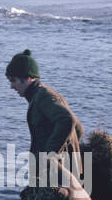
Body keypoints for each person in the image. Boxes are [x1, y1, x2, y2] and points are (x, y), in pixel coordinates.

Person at [5, 48, 85, 185]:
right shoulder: (39, 95)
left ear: (28, 78)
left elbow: (68, 120)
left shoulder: (44, 97)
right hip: (61, 171)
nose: (11, 86)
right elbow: (78, 128)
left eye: (13, 80)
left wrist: (49, 155)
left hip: (59, 175)